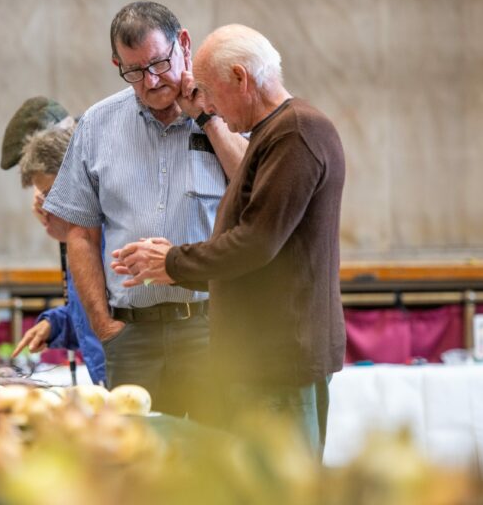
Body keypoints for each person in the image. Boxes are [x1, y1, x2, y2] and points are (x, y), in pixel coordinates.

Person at [112, 24, 346, 456]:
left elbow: (256, 243)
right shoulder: (277, 132)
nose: (207, 105)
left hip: (279, 360)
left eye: (209, 92)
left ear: (241, 78)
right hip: (261, 356)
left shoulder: (294, 133)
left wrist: (173, 263)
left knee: (274, 488)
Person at [42, 2, 247, 415]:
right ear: (117, 64)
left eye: (158, 63)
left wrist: (207, 117)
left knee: (210, 458)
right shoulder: (98, 125)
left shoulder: (225, 110)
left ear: (183, 44)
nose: (151, 80)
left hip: (210, 329)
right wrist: (104, 327)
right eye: (134, 71)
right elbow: (79, 233)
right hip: (131, 336)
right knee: (135, 464)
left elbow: (254, 186)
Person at [0, 96, 105, 385]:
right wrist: (55, 323)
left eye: (49, 192)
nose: (44, 204)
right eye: (42, 195)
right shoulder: (78, 227)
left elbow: (113, 314)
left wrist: (68, 231)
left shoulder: (107, 226)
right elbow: (88, 311)